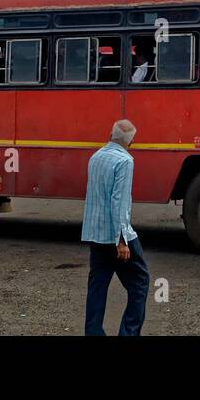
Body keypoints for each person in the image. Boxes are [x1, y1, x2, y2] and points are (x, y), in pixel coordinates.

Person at [82, 119, 150, 336]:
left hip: (95, 233)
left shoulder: (96, 157)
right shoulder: (125, 161)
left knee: (97, 286)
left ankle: (93, 332)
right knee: (140, 281)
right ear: (131, 142)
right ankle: (128, 333)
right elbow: (118, 201)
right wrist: (121, 240)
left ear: (110, 135)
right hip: (116, 235)